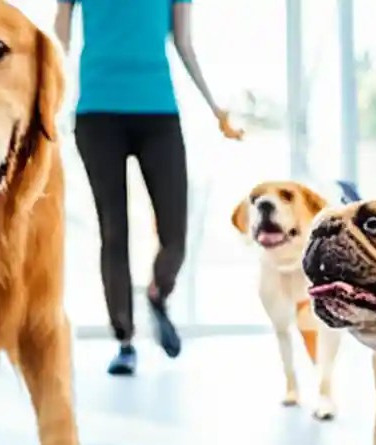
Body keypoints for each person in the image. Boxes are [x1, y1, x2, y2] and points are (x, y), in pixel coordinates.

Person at [55, 0, 243, 376]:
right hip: (97, 114)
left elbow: (184, 43)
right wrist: (45, 99)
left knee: (175, 235)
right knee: (114, 231)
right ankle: (124, 340)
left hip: (159, 113)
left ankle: (158, 294)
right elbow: (60, 40)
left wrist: (214, 107)